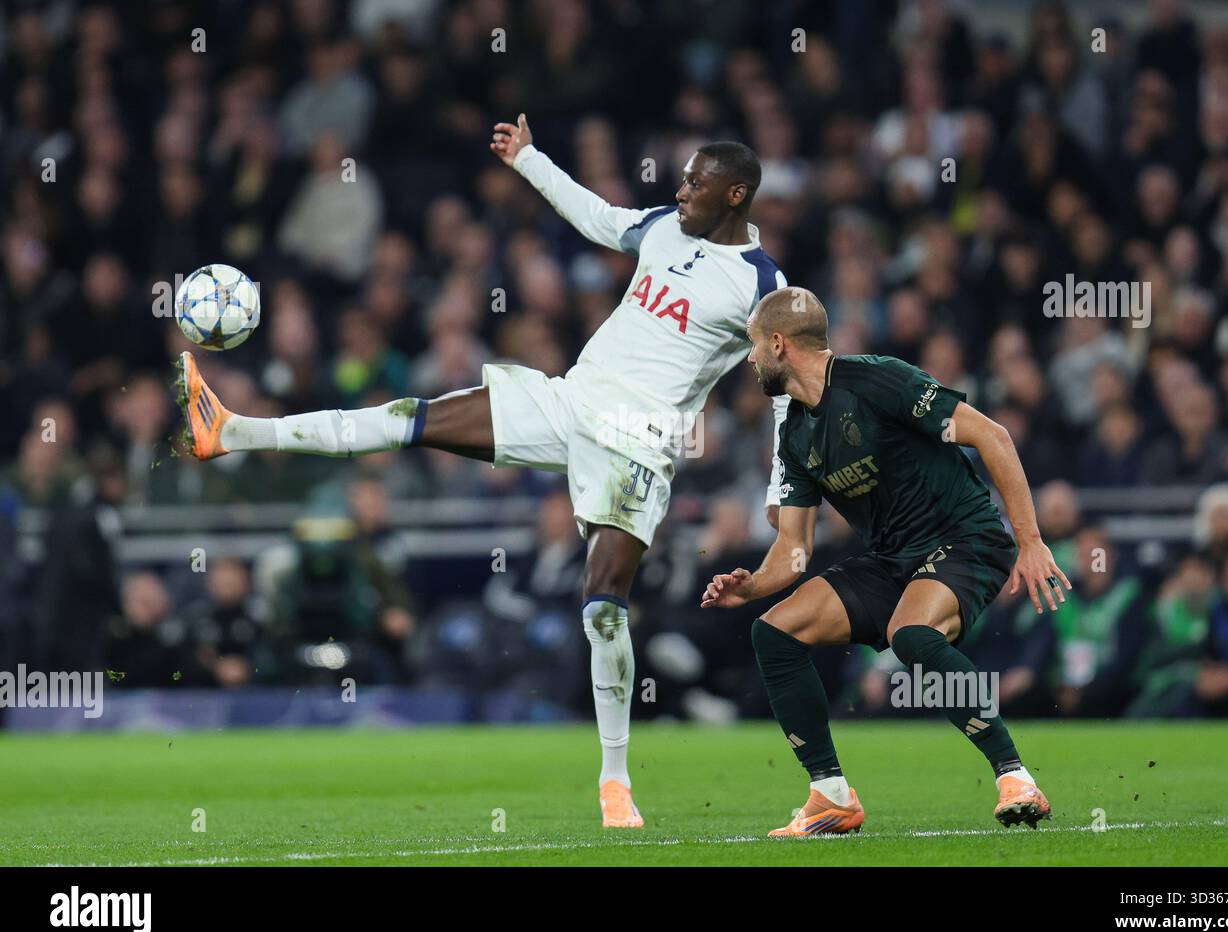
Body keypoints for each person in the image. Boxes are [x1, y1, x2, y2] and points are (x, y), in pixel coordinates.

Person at [176, 114, 787, 828]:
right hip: (568, 400)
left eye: (698, 183)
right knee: (413, 416)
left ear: (737, 195)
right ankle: (235, 430)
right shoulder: (662, 227)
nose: (681, 190)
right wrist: (529, 159)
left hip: (637, 443)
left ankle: (615, 781)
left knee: (601, 609)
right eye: (683, 178)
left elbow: (786, 387)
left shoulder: (761, 286)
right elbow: (596, 216)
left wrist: (779, 486)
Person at [701, 287, 1071, 835]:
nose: (750, 358)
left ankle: (1015, 777)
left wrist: (1031, 539)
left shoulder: (877, 379)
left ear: (778, 343)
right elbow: (795, 548)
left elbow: (992, 436)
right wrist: (751, 586)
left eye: (754, 344)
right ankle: (830, 796)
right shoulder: (796, 432)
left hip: (965, 538)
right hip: (893, 559)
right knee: (775, 634)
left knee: (912, 634)